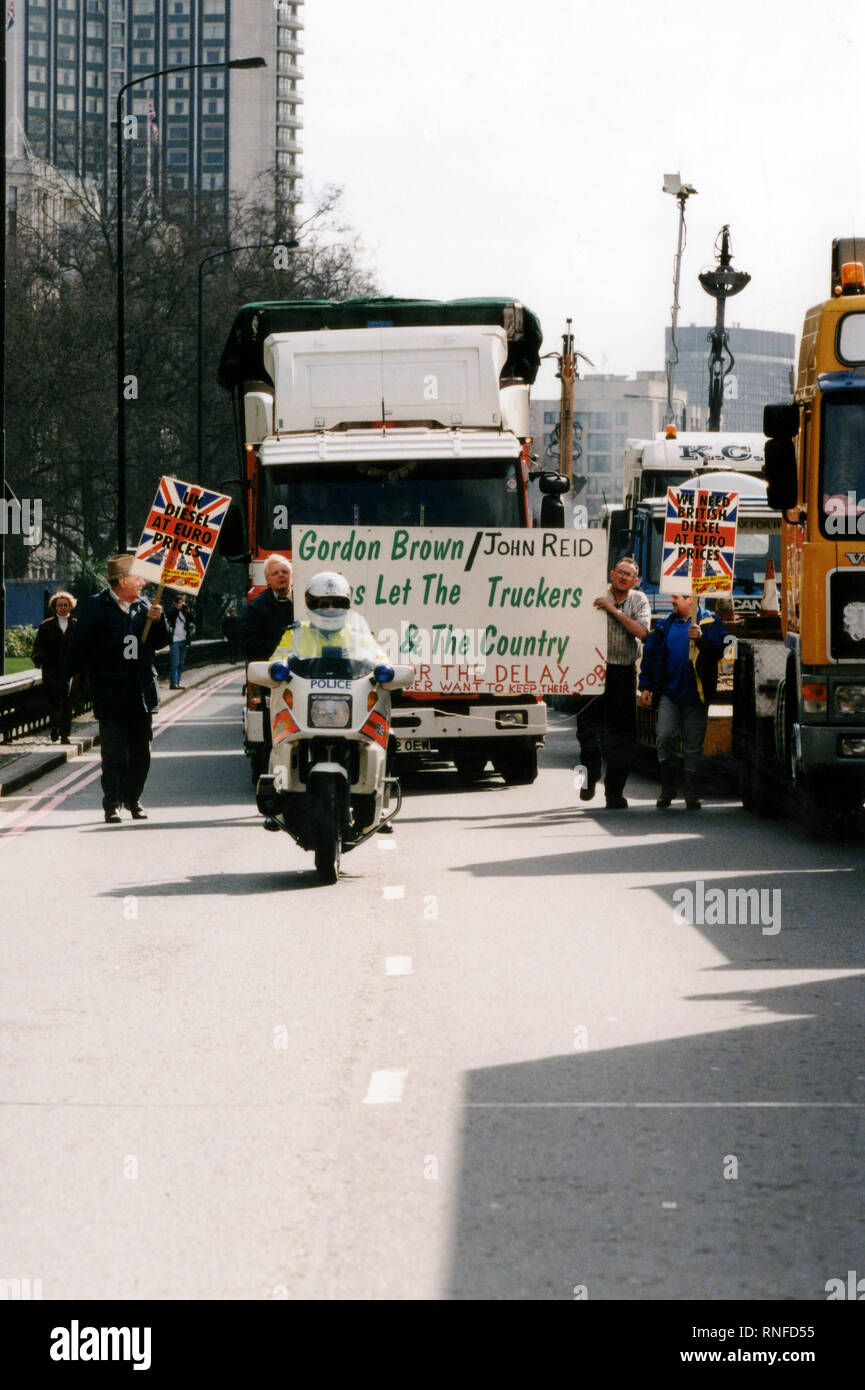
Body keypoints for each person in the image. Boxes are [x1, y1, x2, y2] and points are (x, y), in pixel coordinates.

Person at [65, 554, 169, 823]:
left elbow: (159, 643)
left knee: (141, 753)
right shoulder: (96, 607)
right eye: (138, 578)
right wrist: (70, 681)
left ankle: (133, 798)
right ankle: (112, 804)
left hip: (140, 691)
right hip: (110, 693)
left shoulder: (146, 606)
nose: (143, 583)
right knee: (113, 754)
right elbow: (78, 647)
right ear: (123, 580)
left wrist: (159, 620)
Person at [638, 593, 727, 810]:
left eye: (676, 597)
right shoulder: (664, 626)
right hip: (669, 693)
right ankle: (668, 788)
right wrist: (646, 686)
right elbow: (650, 656)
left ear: (691, 599)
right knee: (665, 736)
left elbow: (726, 649)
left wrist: (703, 639)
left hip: (697, 695)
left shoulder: (711, 622)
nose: (671, 601)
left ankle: (691, 793)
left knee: (693, 744)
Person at [576, 556, 651, 809]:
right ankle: (586, 781)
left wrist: (613, 610)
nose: (623, 577)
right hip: (591, 671)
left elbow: (642, 632)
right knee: (585, 733)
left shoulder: (639, 599)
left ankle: (614, 793)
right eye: (620, 572)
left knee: (622, 738)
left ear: (635, 580)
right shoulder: (594, 594)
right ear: (611, 574)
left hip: (622, 672)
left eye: (629, 575)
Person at [269, 570, 390, 666]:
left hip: (353, 695)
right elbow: (277, 659)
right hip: (304, 694)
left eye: (337, 604)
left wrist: (383, 667)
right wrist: (278, 665)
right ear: (311, 604)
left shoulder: (358, 635)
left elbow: (381, 659)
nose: (331, 609)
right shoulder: (295, 634)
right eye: (324, 605)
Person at [32, 590, 78, 744]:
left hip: (69, 669)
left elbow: (83, 647)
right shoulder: (46, 626)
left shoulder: (76, 625)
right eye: (60, 605)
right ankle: (54, 727)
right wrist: (40, 660)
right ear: (55, 607)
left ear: (70, 606)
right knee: (53, 700)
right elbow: (38, 647)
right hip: (51, 669)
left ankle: (64, 734)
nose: (63, 608)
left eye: (65, 605)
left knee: (66, 701)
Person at [238, 554, 294, 661]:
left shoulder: (304, 602)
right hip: (268, 666)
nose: (281, 575)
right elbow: (249, 644)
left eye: (285, 572)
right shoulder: (255, 607)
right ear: (268, 580)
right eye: (275, 573)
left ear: (291, 576)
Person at [166, 594, 194, 689]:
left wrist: (188, 611)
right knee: (175, 662)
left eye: (183, 602)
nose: (182, 604)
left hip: (184, 640)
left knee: (181, 663)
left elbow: (193, 621)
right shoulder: (172, 611)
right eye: (180, 602)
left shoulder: (185, 612)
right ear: (175, 603)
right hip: (174, 640)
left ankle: (177, 682)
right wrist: (177, 608)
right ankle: (173, 683)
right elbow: (169, 615)